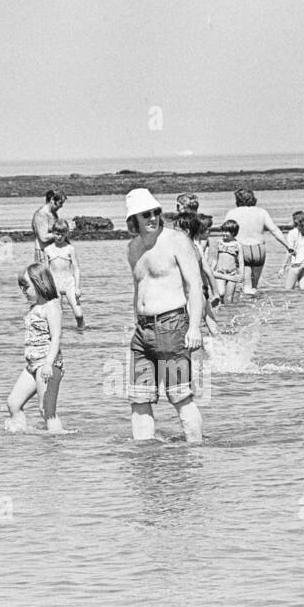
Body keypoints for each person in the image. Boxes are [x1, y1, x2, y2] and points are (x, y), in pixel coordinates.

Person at [124, 188, 204, 442]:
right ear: (133, 219)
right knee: (139, 399)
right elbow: (139, 288)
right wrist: (135, 323)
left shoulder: (176, 240)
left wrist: (195, 328)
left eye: (156, 212)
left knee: (180, 396)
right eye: (145, 214)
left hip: (173, 326)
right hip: (142, 332)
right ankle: (144, 456)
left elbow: (195, 286)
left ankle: (195, 451)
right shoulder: (133, 248)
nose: (152, 218)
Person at [6, 263, 64, 434]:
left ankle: (57, 442)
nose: (23, 291)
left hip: (47, 363)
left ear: (39, 283)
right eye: (21, 287)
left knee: (46, 411)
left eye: (26, 286)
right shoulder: (34, 308)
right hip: (32, 364)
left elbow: (56, 338)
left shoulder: (51, 307)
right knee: (13, 403)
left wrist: (48, 363)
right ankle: (23, 438)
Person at [222, 188, 291, 294]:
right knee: (254, 286)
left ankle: (245, 309)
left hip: (242, 249)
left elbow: (226, 234)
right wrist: (288, 246)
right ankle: (258, 306)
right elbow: (274, 230)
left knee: (246, 287)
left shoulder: (232, 213)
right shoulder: (261, 212)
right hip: (259, 250)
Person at [173, 210, 220, 337]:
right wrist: (215, 293)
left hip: (191, 294)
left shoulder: (181, 250)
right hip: (202, 292)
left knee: (190, 328)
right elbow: (208, 271)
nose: (172, 233)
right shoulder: (197, 247)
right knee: (212, 326)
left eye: (175, 230)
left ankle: (202, 352)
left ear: (186, 232)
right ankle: (224, 351)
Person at [44, 218, 86, 331]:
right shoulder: (48, 250)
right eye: (57, 234)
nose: (59, 237)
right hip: (55, 284)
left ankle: (81, 333)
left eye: (62, 234)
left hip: (69, 283)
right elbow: (46, 271)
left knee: (78, 313)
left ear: (66, 233)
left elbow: (76, 268)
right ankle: (56, 335)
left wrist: (77, 287)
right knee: (56, 314)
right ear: (53, 233)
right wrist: (46, 287)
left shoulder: (70, 249)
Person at [211, 219, 245, 303]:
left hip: (232, 273)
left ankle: (228, 313)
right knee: (221, 293)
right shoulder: (219, 243)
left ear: (233, 232)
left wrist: (242, 275)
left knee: (229, 298)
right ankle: (220, 310)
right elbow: (215, 259)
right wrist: (211, 270)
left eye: (227, 232)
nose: (224, 233)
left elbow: (241, 262)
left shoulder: (238, 245)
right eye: (223, 231)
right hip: (220, 272)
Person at [31, 188, 67, 263]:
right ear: (52, 200)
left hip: (53, 251)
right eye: (60, 203)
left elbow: (56, 231)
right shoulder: (41, 214)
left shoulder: (53, 213)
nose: (61, 206)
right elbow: (43, 238)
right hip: (42, 252)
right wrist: (62, 232)